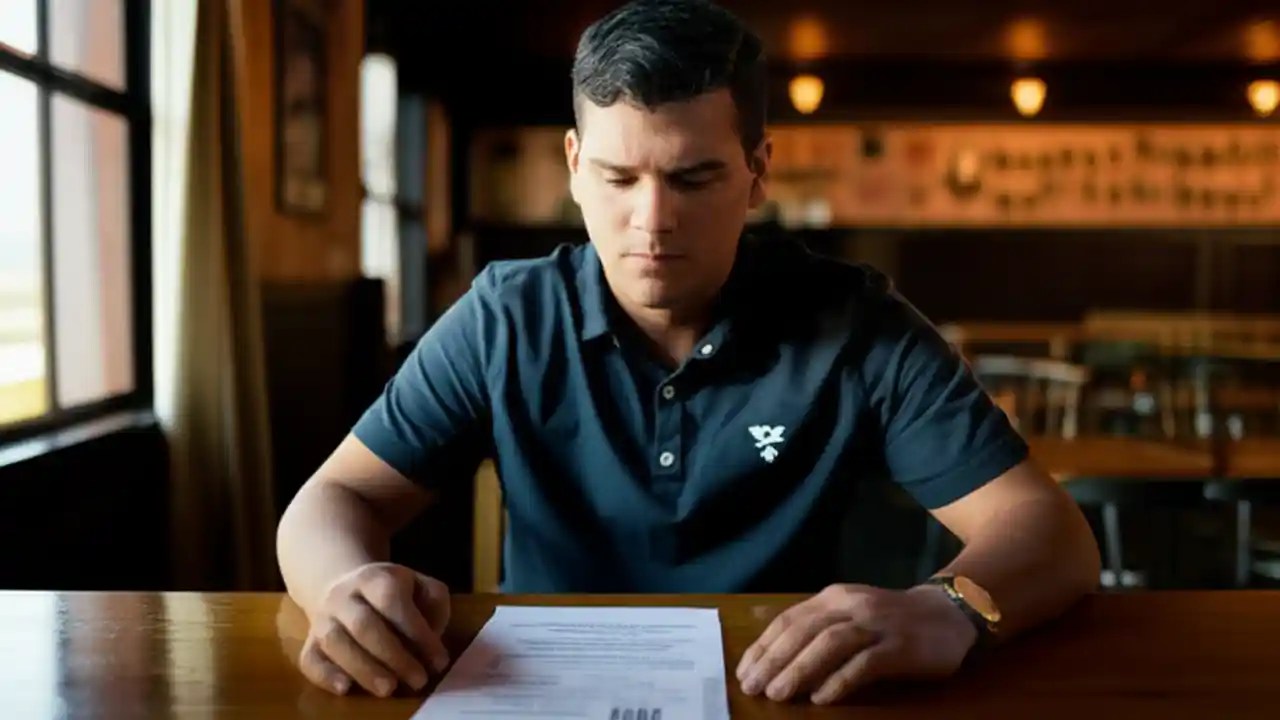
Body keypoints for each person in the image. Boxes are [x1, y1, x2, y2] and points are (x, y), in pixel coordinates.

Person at [275, 0, 1101, 706]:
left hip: (781, 688)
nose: (653, 220)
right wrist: (340, 586)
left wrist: (948, 605)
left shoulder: (854, 321)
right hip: (535, 695)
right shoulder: (507, 317)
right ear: (573, 166)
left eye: (694, 179)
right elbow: (335, 498)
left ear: (757, 171)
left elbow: (1049, 532)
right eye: (618, 177)